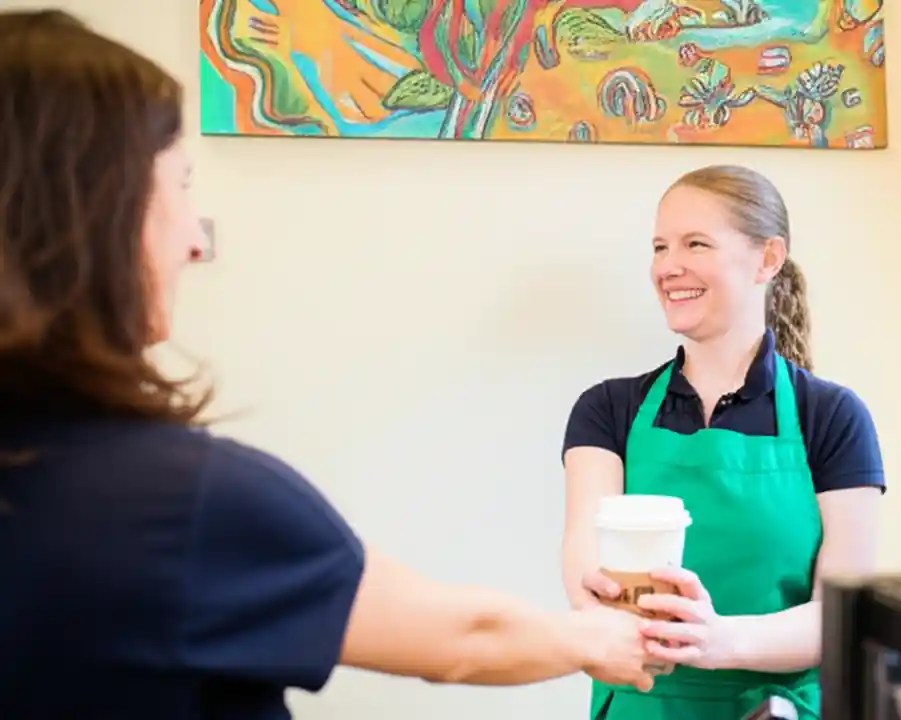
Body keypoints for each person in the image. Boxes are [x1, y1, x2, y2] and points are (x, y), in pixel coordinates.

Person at [0, 10, 654, 719]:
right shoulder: (186, 503)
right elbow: (463, 639)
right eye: (181, 186)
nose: (196, 237)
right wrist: (599, 637)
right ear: (98, 212)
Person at [560, 164, 886, 720]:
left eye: (695, 243)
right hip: (642, 704)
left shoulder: (830, 417)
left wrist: (719, 641)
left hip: (776, 709)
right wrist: (597, 603)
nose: (668, 266)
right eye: (660, 246)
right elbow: (585, 561)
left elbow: (840, 612)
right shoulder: (607, 412)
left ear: (767, 258)